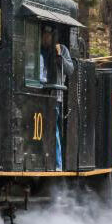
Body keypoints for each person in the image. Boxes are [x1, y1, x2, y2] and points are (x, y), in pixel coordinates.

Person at [40, 25, 73, 171]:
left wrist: (59, 57)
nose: (46, 37)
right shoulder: (38, 50)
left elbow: (70, 70)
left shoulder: (63, 49)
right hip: (39, 95)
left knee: (55, 131)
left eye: (48, 34)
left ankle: (58, 164)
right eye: (44, 34)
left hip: (55, 97)